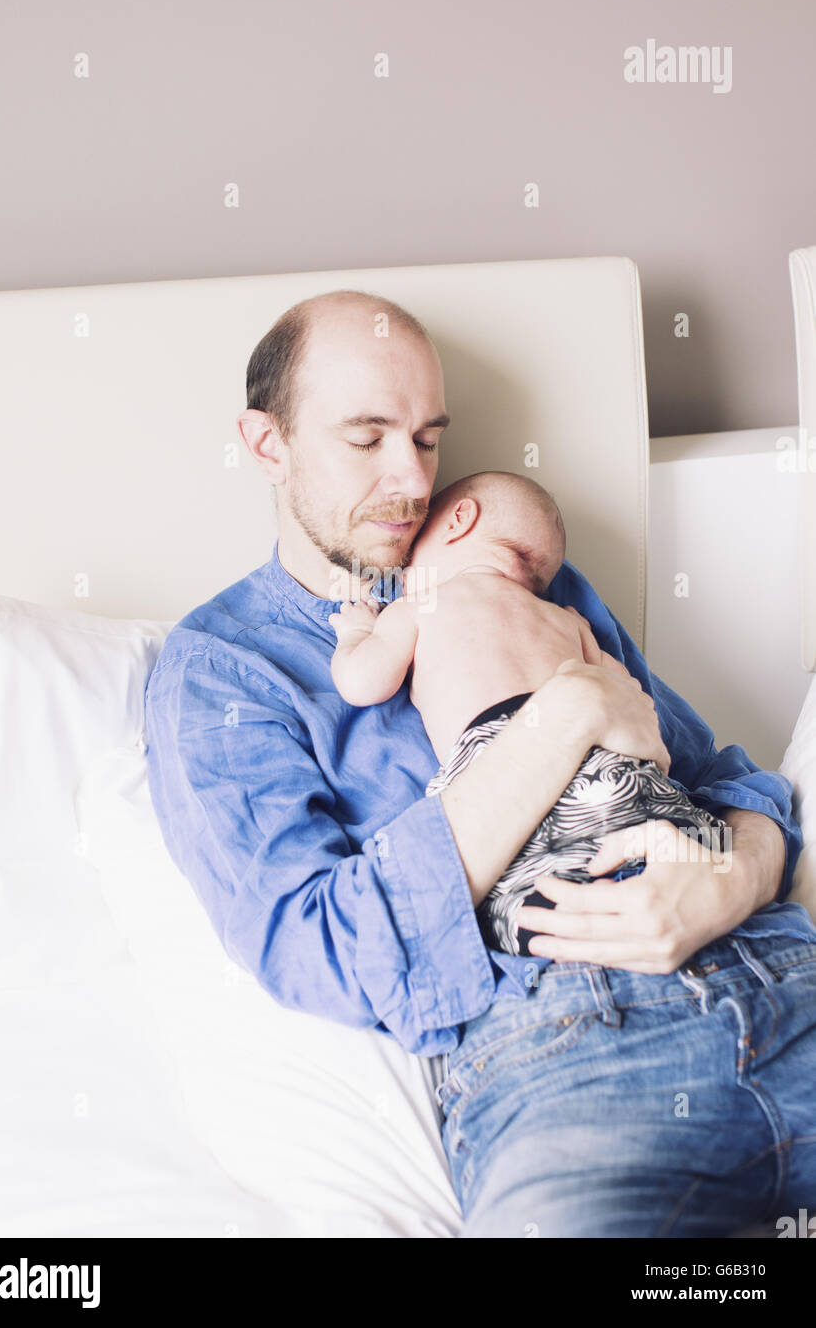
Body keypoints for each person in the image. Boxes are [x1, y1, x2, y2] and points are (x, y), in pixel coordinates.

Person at [144, 288, 816, 1237]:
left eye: (425, 439)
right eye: (365, 437)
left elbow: (725, 785)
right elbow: (317, 945)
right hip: (578, 1053)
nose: (411, 480)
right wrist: (563, 717)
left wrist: (730, 879)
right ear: (267, 444)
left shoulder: (519, 572)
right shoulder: (223, 671)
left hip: (781, 968)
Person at [328, 469, 731, 957]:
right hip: (612, 765)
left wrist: (355, 634)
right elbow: (626, 700)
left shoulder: (422, 602)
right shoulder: (569, 620)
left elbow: (363, 683)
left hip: (505, 760)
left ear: (458, 519)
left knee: (527, 898)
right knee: (672, 840)